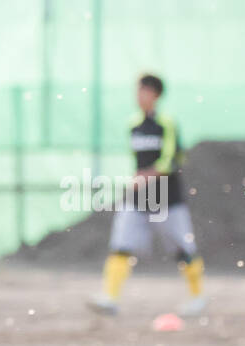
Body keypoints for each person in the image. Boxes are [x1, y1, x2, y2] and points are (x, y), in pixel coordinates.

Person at [88, 74, 205, 317]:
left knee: (183, 248)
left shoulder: (167, 124)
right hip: (139, 198)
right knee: (121, 245)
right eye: (137, 91)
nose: (138, 96)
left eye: (143, 91)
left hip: (167, 197)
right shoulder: (133, 126)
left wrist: (149, 175)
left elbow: (174, 159)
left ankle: (197, 297)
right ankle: (110, 298)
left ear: (155, 95)